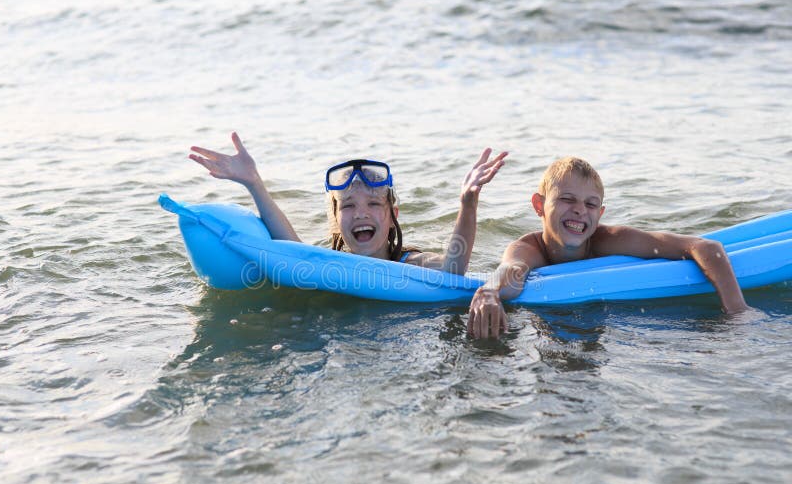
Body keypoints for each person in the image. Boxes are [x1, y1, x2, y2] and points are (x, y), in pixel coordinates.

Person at [467, 156, 749, 339]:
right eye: (567, 199)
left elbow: (706, 248)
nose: (580, 211)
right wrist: (489, 291)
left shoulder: (609, 240)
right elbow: (511, 269)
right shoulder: (531, 248)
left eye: (590, 204)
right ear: (539, 205)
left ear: (600, 214)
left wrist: (737, 315)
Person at [189, 132, 506, 275]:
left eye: (373, 204)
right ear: (335, 217)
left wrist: (468, 202)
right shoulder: (329, 265)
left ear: (393, 214)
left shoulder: (410, 263)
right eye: (349, 206)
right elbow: (292, 248)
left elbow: (454, 268)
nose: (361, 214)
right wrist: (254, 183)